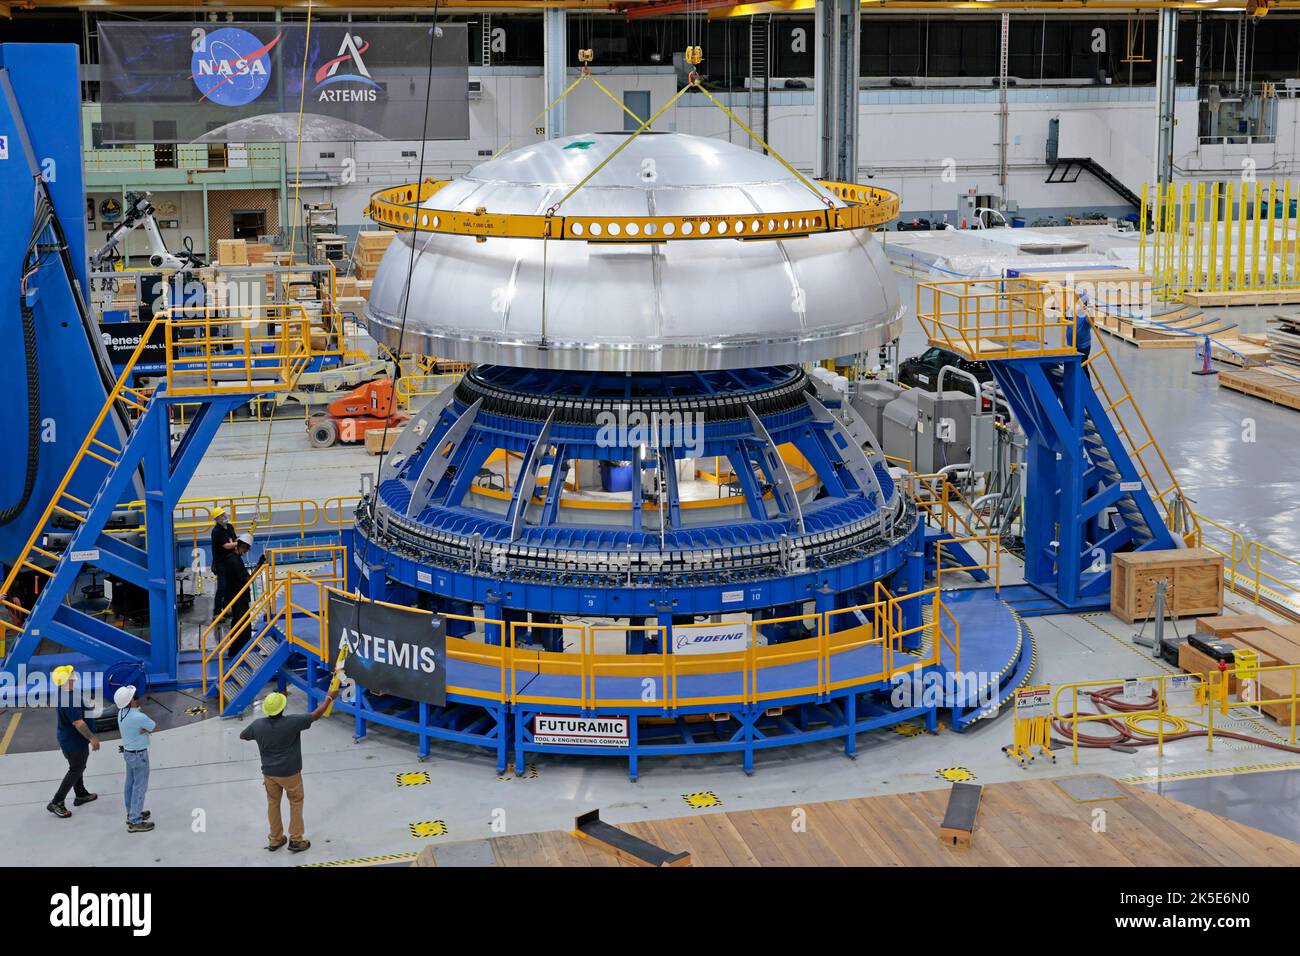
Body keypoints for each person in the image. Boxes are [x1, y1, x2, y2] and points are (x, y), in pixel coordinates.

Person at [239, 689, 337, 853]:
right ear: (283, 708)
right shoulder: (293, 722)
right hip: (291, 773)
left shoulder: (258, 725)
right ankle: (296, 840)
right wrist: (329, 698)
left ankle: (276, 839)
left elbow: (243, 735)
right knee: (296, 803)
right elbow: (317, 714)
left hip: (270, 774)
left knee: (273, 804)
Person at [47, 666, 99, 818]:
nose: (73, 675)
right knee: (76, 768)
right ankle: (56, 801)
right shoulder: (68, 700)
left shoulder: (67, 691)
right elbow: (78, 723)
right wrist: (92, 738)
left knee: (78, 766)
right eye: (70, 674)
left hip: (73, 739)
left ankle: (81, 794)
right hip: (73, 741)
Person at [114, 685, 155, 833]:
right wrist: (144, 728)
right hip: (139, 755)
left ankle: (131, 812)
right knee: (140, 786)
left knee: (130, 783)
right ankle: (135, 820)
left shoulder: (121, 714)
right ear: (131, 700)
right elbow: (152, 726)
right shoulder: (138, 717)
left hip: (129, 754)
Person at [220, 533, 262, 662]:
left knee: (239, 624)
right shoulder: (234, 561)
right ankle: (239, 650)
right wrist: (259, 566)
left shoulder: (233, 558)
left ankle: (237, 650)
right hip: (239, 598)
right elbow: (247, 580)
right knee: (242, 625)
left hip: (237, 597)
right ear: (242, 546)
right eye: (247, 548)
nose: (247, 551)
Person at [210, 507, 238, 623]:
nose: (225, 516)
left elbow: (234, 539)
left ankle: (226, 609)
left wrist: (238, 544)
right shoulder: (216, 531)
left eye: (224, 514)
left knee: (230, 586)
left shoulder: (230, 527)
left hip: (231, 561)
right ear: (217, 519)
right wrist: (239, 544)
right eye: (222, 515)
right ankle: (217, 613)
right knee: (222, 587)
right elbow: (226, 546)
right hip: (220, 562)